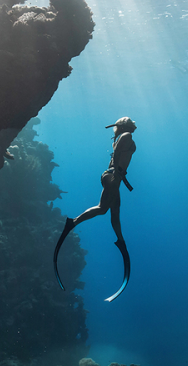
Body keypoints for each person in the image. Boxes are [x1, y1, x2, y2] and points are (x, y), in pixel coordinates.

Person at [53, 117, 137, 301]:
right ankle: (73, 223)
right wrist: (117, 173)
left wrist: (117, 174)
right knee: (104, 210)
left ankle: (121, 242)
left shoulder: (122, 136)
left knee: (114, 213)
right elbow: (117, 157)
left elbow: (118, 155)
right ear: (126, 126)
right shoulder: (127, 135)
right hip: (113, 177)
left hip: (113, 177)